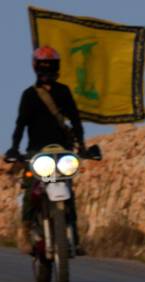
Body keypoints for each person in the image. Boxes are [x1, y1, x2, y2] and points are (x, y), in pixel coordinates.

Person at [6, 46, 87, 253]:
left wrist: (82, 146)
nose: (47, 70)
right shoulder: (29, 95)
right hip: (36, 152)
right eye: (43, 66)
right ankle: (26, 231)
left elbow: (76, 120)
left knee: (68, 191)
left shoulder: (64, 91)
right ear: (35, 67)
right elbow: (20, 124)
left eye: (50, 66)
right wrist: (14, 148)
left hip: (62, 151)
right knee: (30, 188)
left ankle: (74, 238)